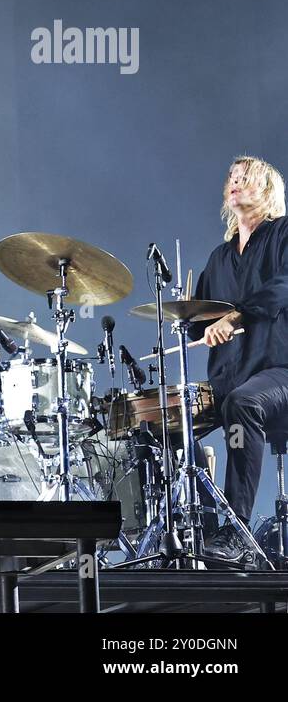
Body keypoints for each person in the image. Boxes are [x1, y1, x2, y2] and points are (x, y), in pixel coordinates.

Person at [190, 155, 288, 561]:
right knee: (163, 419)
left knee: (242, 404)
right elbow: (197, 321)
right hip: (231, 376)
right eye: (231, 177)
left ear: (265, 190)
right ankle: (205, 530)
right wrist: (191, 319)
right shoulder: (219, 258)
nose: (234, 183)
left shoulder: (283, 233)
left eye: (245, 178)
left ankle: (238, 532)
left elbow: (284, 285)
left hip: (279, 372)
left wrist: (237, 315)